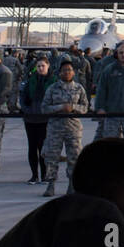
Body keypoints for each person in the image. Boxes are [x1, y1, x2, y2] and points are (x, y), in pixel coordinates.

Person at [41, 61, 89, 195]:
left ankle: (72, 184)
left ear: (73, 72)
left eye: (69, 70)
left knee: (74, 156)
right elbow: (44, 108)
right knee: (51, 156)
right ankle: (50, 184)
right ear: (59, 73)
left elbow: (85, 107)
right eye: (64, 70)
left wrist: (73, 107)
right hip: (55, 128)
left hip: (73, 128)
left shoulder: (79, 88)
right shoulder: (52, 88)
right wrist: (60, 107)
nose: (67, 72)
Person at [21, 57, 53, 184]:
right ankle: (34, 175)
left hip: (45, 119)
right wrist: (27, 110)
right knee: (32, 147)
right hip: (31, 119)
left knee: (43, 148)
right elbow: (23, 97)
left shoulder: (53, 81)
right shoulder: (30, 81)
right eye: (38, 66)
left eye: (43, 66)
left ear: (48, 66)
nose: (40, 68)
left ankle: (45, 174)